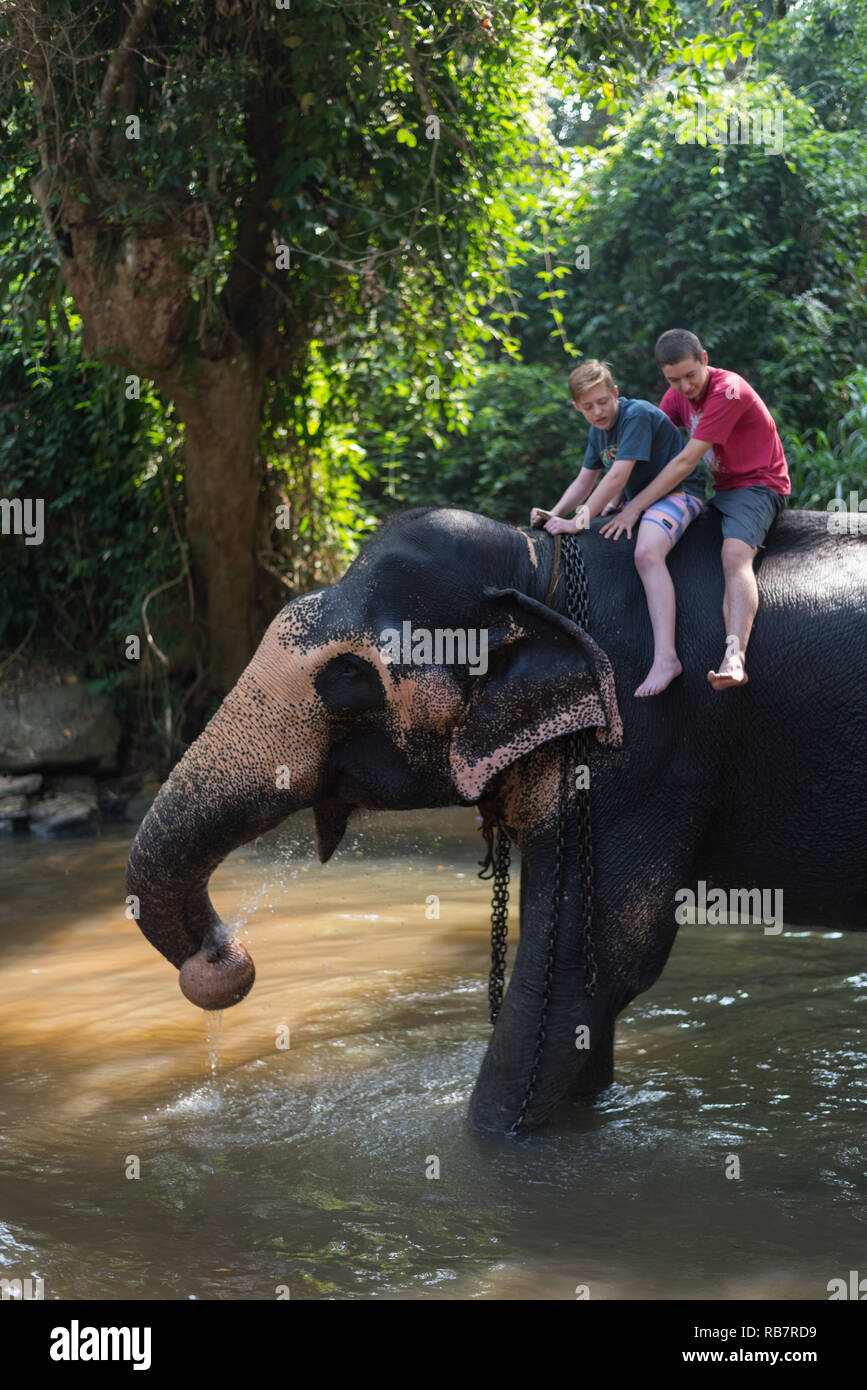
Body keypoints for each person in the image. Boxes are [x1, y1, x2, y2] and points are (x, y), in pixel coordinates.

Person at [601, 329, 790, 690]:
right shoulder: (675, 396)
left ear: (704, 359)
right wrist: (619, 496)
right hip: (720, 488)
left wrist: (636, 507)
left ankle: (735, 657)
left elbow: (686, 461)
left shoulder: (728, 390)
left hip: (758, 485)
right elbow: (651, 446)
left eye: (690, 375)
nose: (685, 387)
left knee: (734, 556)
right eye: (674, 379)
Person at [530, 358, 706, 697]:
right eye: (588, 407)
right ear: (577, 408)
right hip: (639, 499)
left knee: (647, 553)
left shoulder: (635, 415)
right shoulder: (597, 431)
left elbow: (618, 476)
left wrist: (577, 521)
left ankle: (667, 657)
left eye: (602, 402)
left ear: (615, 393)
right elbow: (584, 481)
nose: (598, 411)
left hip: (677, 495)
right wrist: (553, 513)